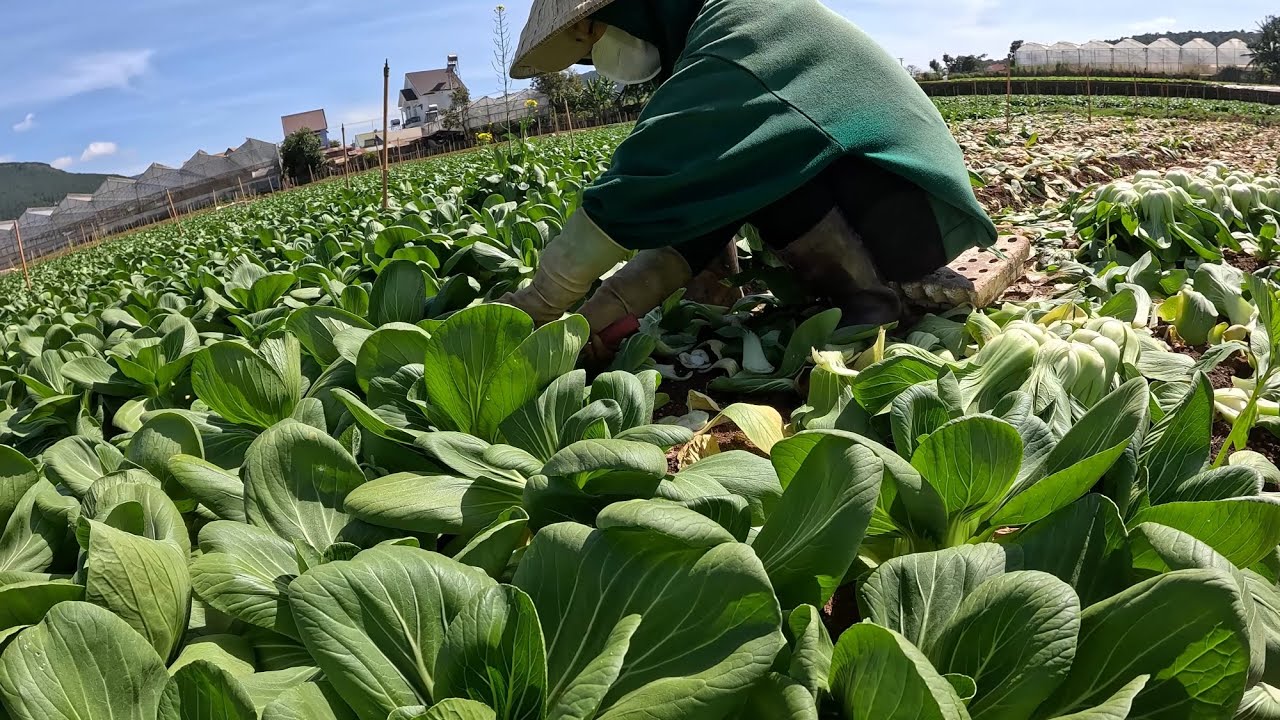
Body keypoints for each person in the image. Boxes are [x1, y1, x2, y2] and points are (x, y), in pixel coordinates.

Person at [500, 0, 997, 353]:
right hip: (886, 199)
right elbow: (702, 196)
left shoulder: (739, 34)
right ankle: (718, 296)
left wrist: (543, 299)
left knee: (768, 162)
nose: (595, 59)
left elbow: (652, 174)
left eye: (590, 38)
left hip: (910, 207)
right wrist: (600, 315)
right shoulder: (721, 22)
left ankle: (870, 307)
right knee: (730, 170)